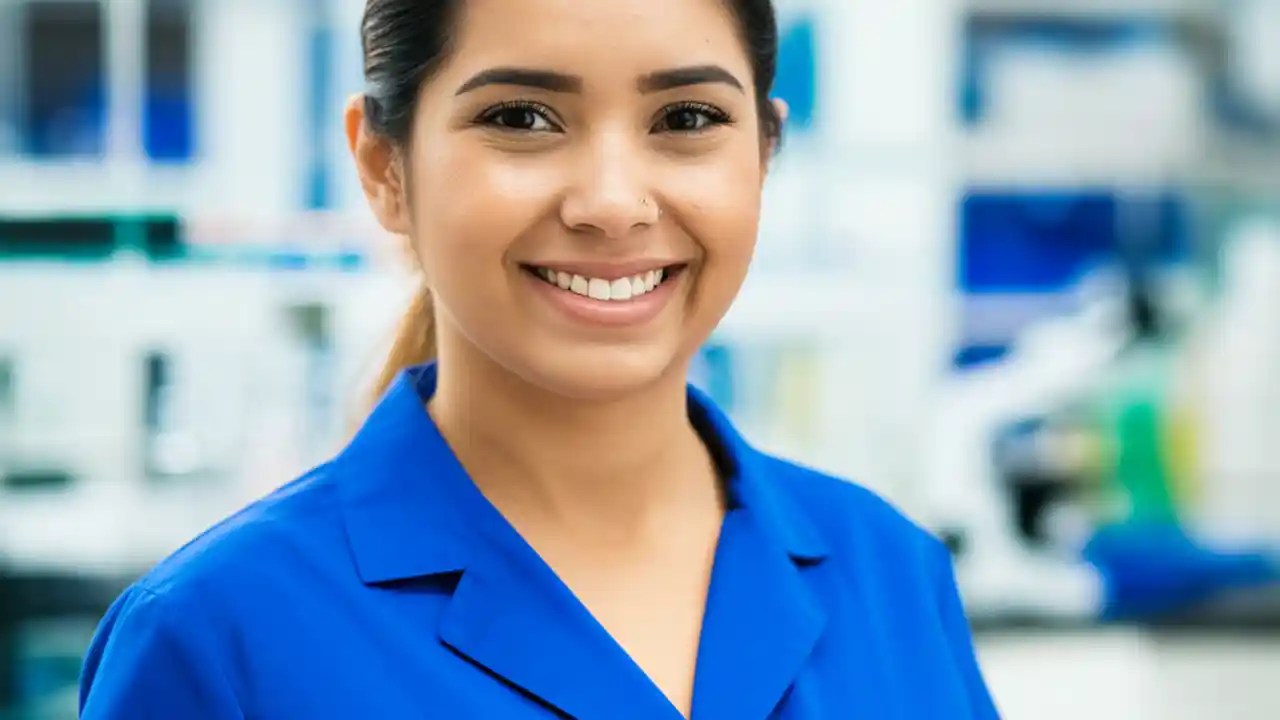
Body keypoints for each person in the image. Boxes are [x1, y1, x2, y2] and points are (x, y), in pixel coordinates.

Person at [79, 0, 1000, 717]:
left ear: (764, 151)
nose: (612, 202)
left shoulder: (890, 575)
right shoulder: (220, 637)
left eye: (685, 117)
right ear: (384, 169)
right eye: (522, 116)